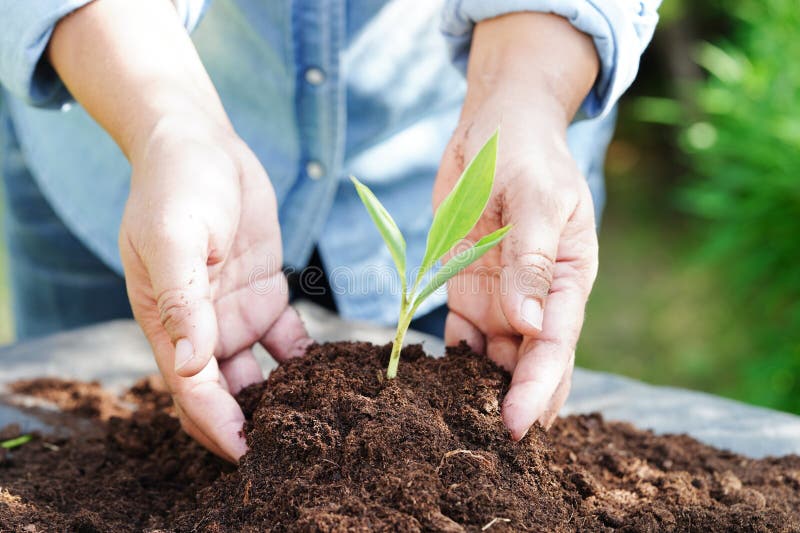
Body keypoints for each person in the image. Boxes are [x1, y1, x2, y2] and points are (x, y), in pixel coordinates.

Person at [0, 0, 660, 462]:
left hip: (441, 150)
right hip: (124, 113)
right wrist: (165, 125)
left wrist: (527, 97)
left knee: (472, 401)